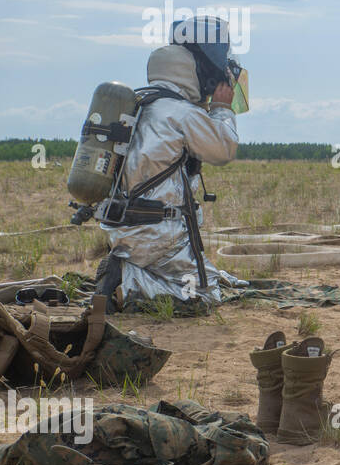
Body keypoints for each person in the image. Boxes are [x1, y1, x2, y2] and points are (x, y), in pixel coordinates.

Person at [96, 16, 247, 307]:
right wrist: (222, 109)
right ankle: (127, 281)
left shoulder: (140, 102)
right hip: (159, 235)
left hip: (122, 229)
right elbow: (224, 150)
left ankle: (128, 268)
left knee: (207, 273)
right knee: (203, 294)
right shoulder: (181, 113)